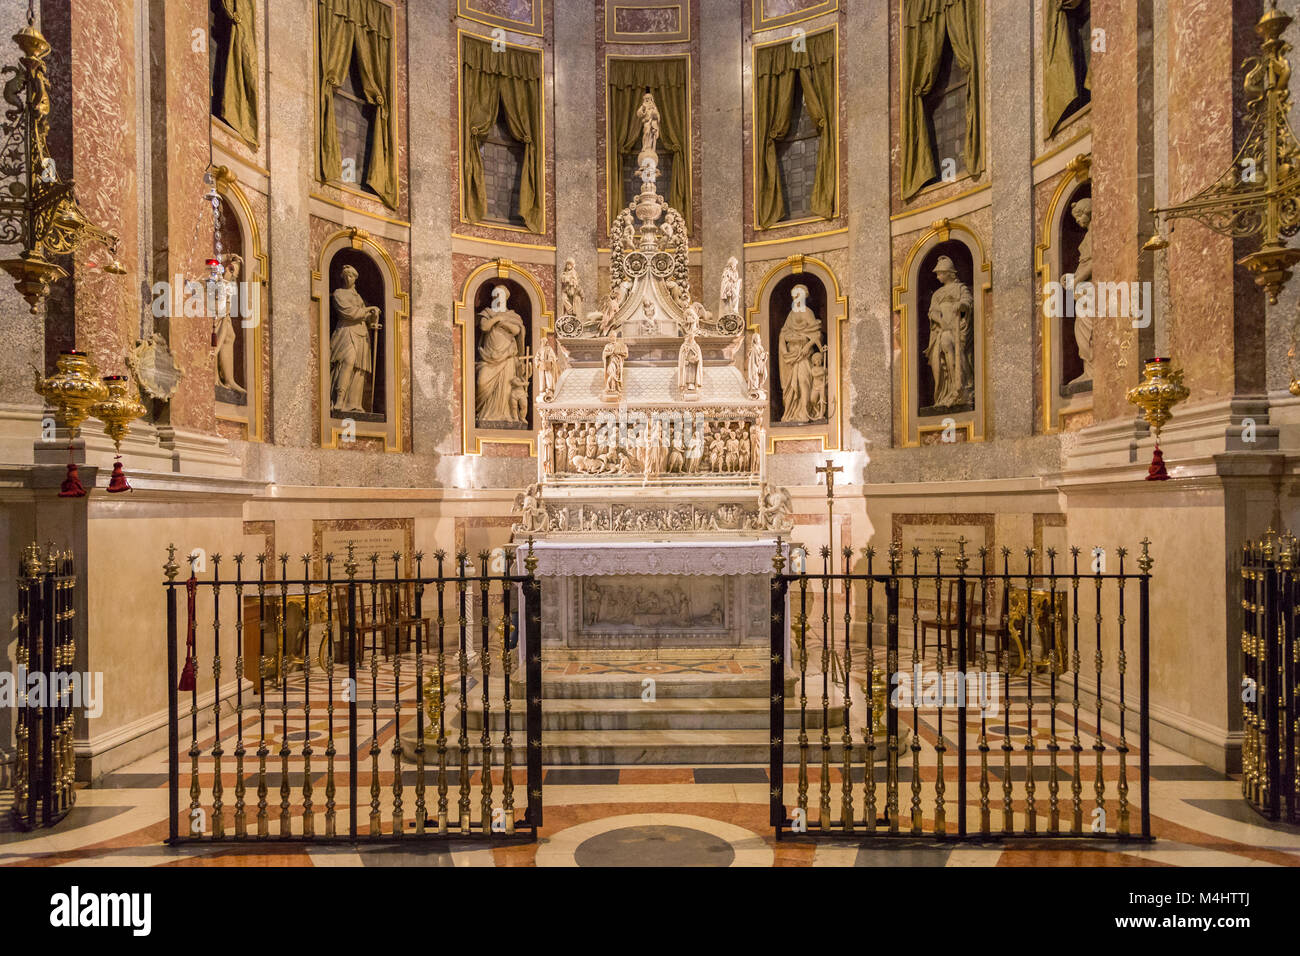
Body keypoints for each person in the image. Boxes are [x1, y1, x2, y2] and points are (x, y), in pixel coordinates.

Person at [330, 263, 381, 413]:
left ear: (355, 278)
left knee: (359, 370)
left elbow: (366, 319)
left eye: (351, 276)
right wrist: (368, 309)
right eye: (346, 276)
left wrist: (373, 317)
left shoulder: (358, 297)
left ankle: (353, 403)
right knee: (347, 362)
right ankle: (339, 400)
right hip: (347, 331)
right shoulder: (339, 293)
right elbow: (349, 313)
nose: (348, 278)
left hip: (362, 335)